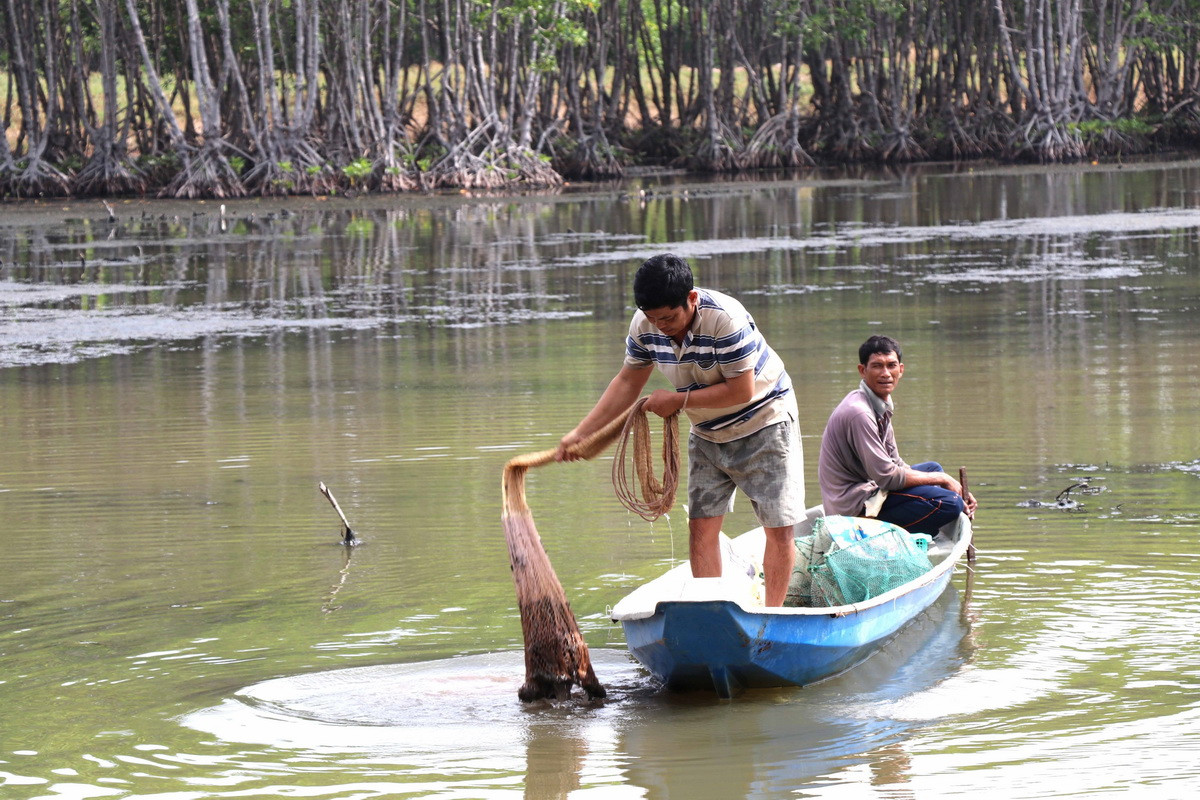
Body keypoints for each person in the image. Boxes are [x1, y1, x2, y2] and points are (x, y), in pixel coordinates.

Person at [556, 253, 805, 607]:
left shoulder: (724, 319)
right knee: (701, 527)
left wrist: (679, 400)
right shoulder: (645, 324)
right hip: (707, 429)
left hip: (765, 419)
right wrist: (580, 433)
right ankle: (712, 613)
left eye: (669, 317)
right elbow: (628, 381)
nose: (661, 326)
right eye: (653, 318)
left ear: (691, 300)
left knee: (778, 528)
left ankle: (772, 616)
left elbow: (741, 390)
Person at [817, 335, 977, 535]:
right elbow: (887, 477)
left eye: (891, 365)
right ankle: (901, 534)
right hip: (852, 510)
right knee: (949, 504)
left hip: (872, 490)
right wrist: (944, 480)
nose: (886, 373)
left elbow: (896, 464)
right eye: (877, 366)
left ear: (901, 369)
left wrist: (951, 485)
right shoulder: (859, 412)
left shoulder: (879, 405)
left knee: (933, 471)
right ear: (862, 370)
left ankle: (923, 526)